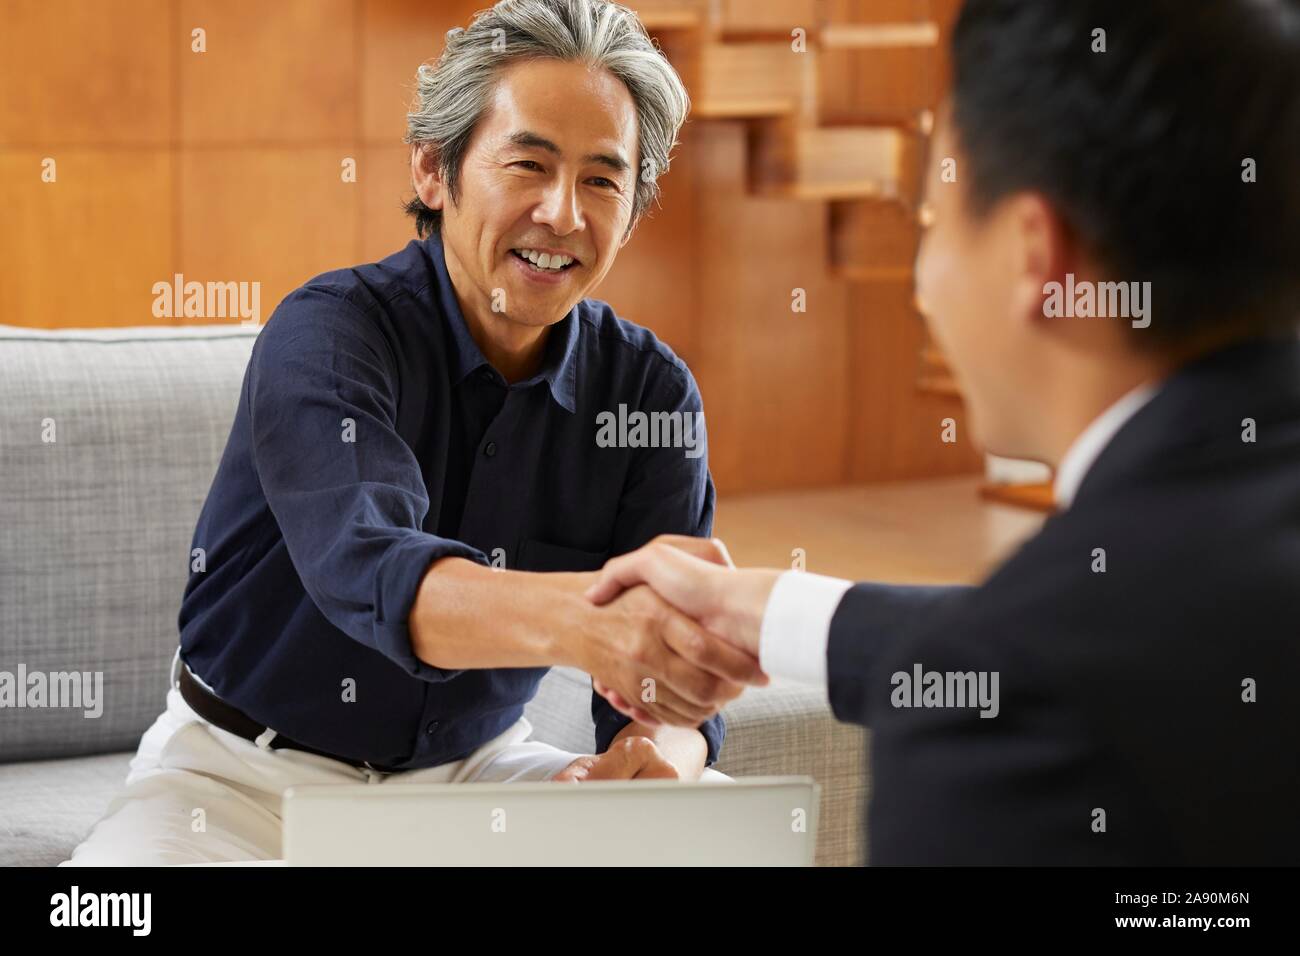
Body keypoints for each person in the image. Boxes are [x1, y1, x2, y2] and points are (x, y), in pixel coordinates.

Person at [586, 0, 1300, 864]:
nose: (924, 285)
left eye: (934, 220)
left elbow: (1049, 659)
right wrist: (780, 613)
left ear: (1035, 255)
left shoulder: (1012, 741)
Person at [65, 0, 761, 866]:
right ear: (435, 170)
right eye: (528, 164)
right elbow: (375, 571)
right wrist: (589, 623)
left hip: (473, 776)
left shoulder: (648, 393)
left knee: (722, 834)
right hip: (240, 783)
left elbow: (667, 683)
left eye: (602, 180)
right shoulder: (328, 335)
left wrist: (660, 752)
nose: (562, 214)